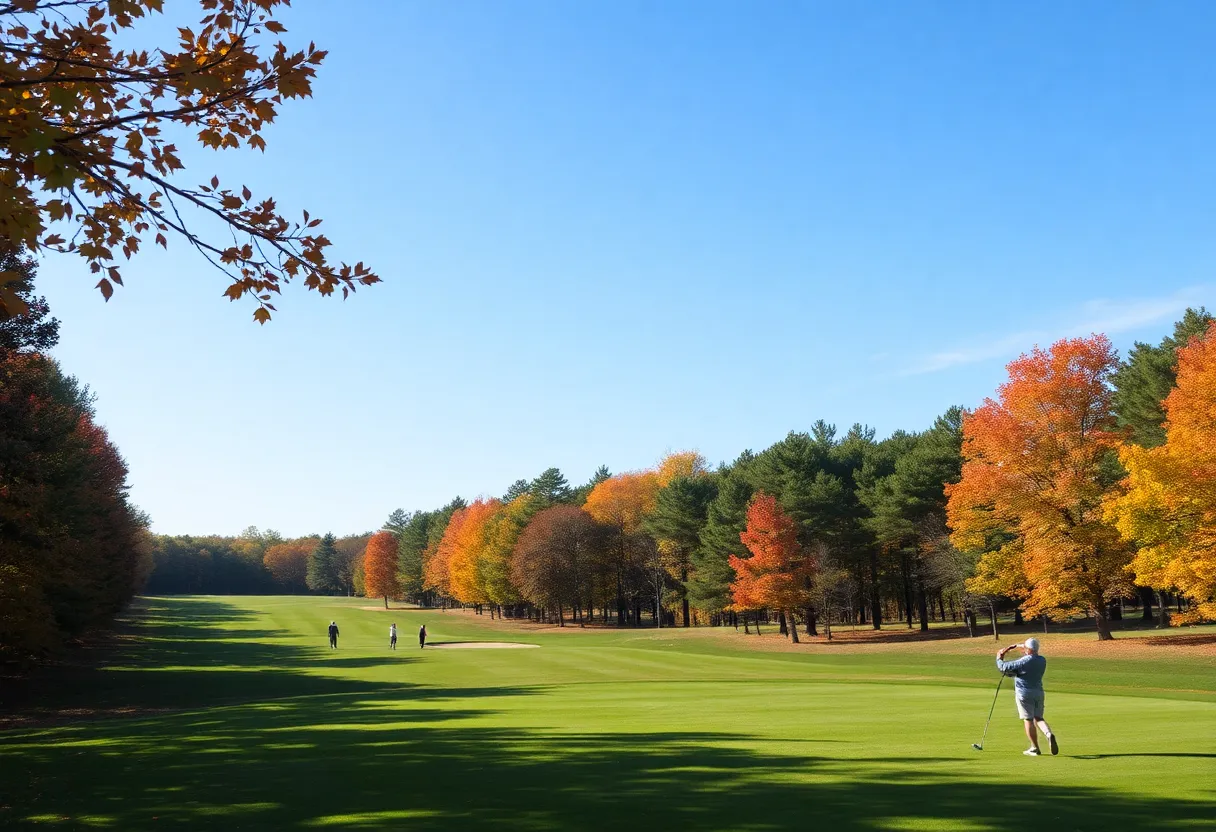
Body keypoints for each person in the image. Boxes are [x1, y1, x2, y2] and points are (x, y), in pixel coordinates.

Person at [996, 637, 1059, 756]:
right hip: (1038, 692)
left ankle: (1035, 748)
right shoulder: (1042, 660)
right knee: (1039, 718)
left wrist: (999, 656)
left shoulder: (1024, 661)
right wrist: (1020, 646)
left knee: (1028, 720)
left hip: (1024, 693)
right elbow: (1020, 668)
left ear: (1028, 649)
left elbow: (1003, 667)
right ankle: (1048, 734)